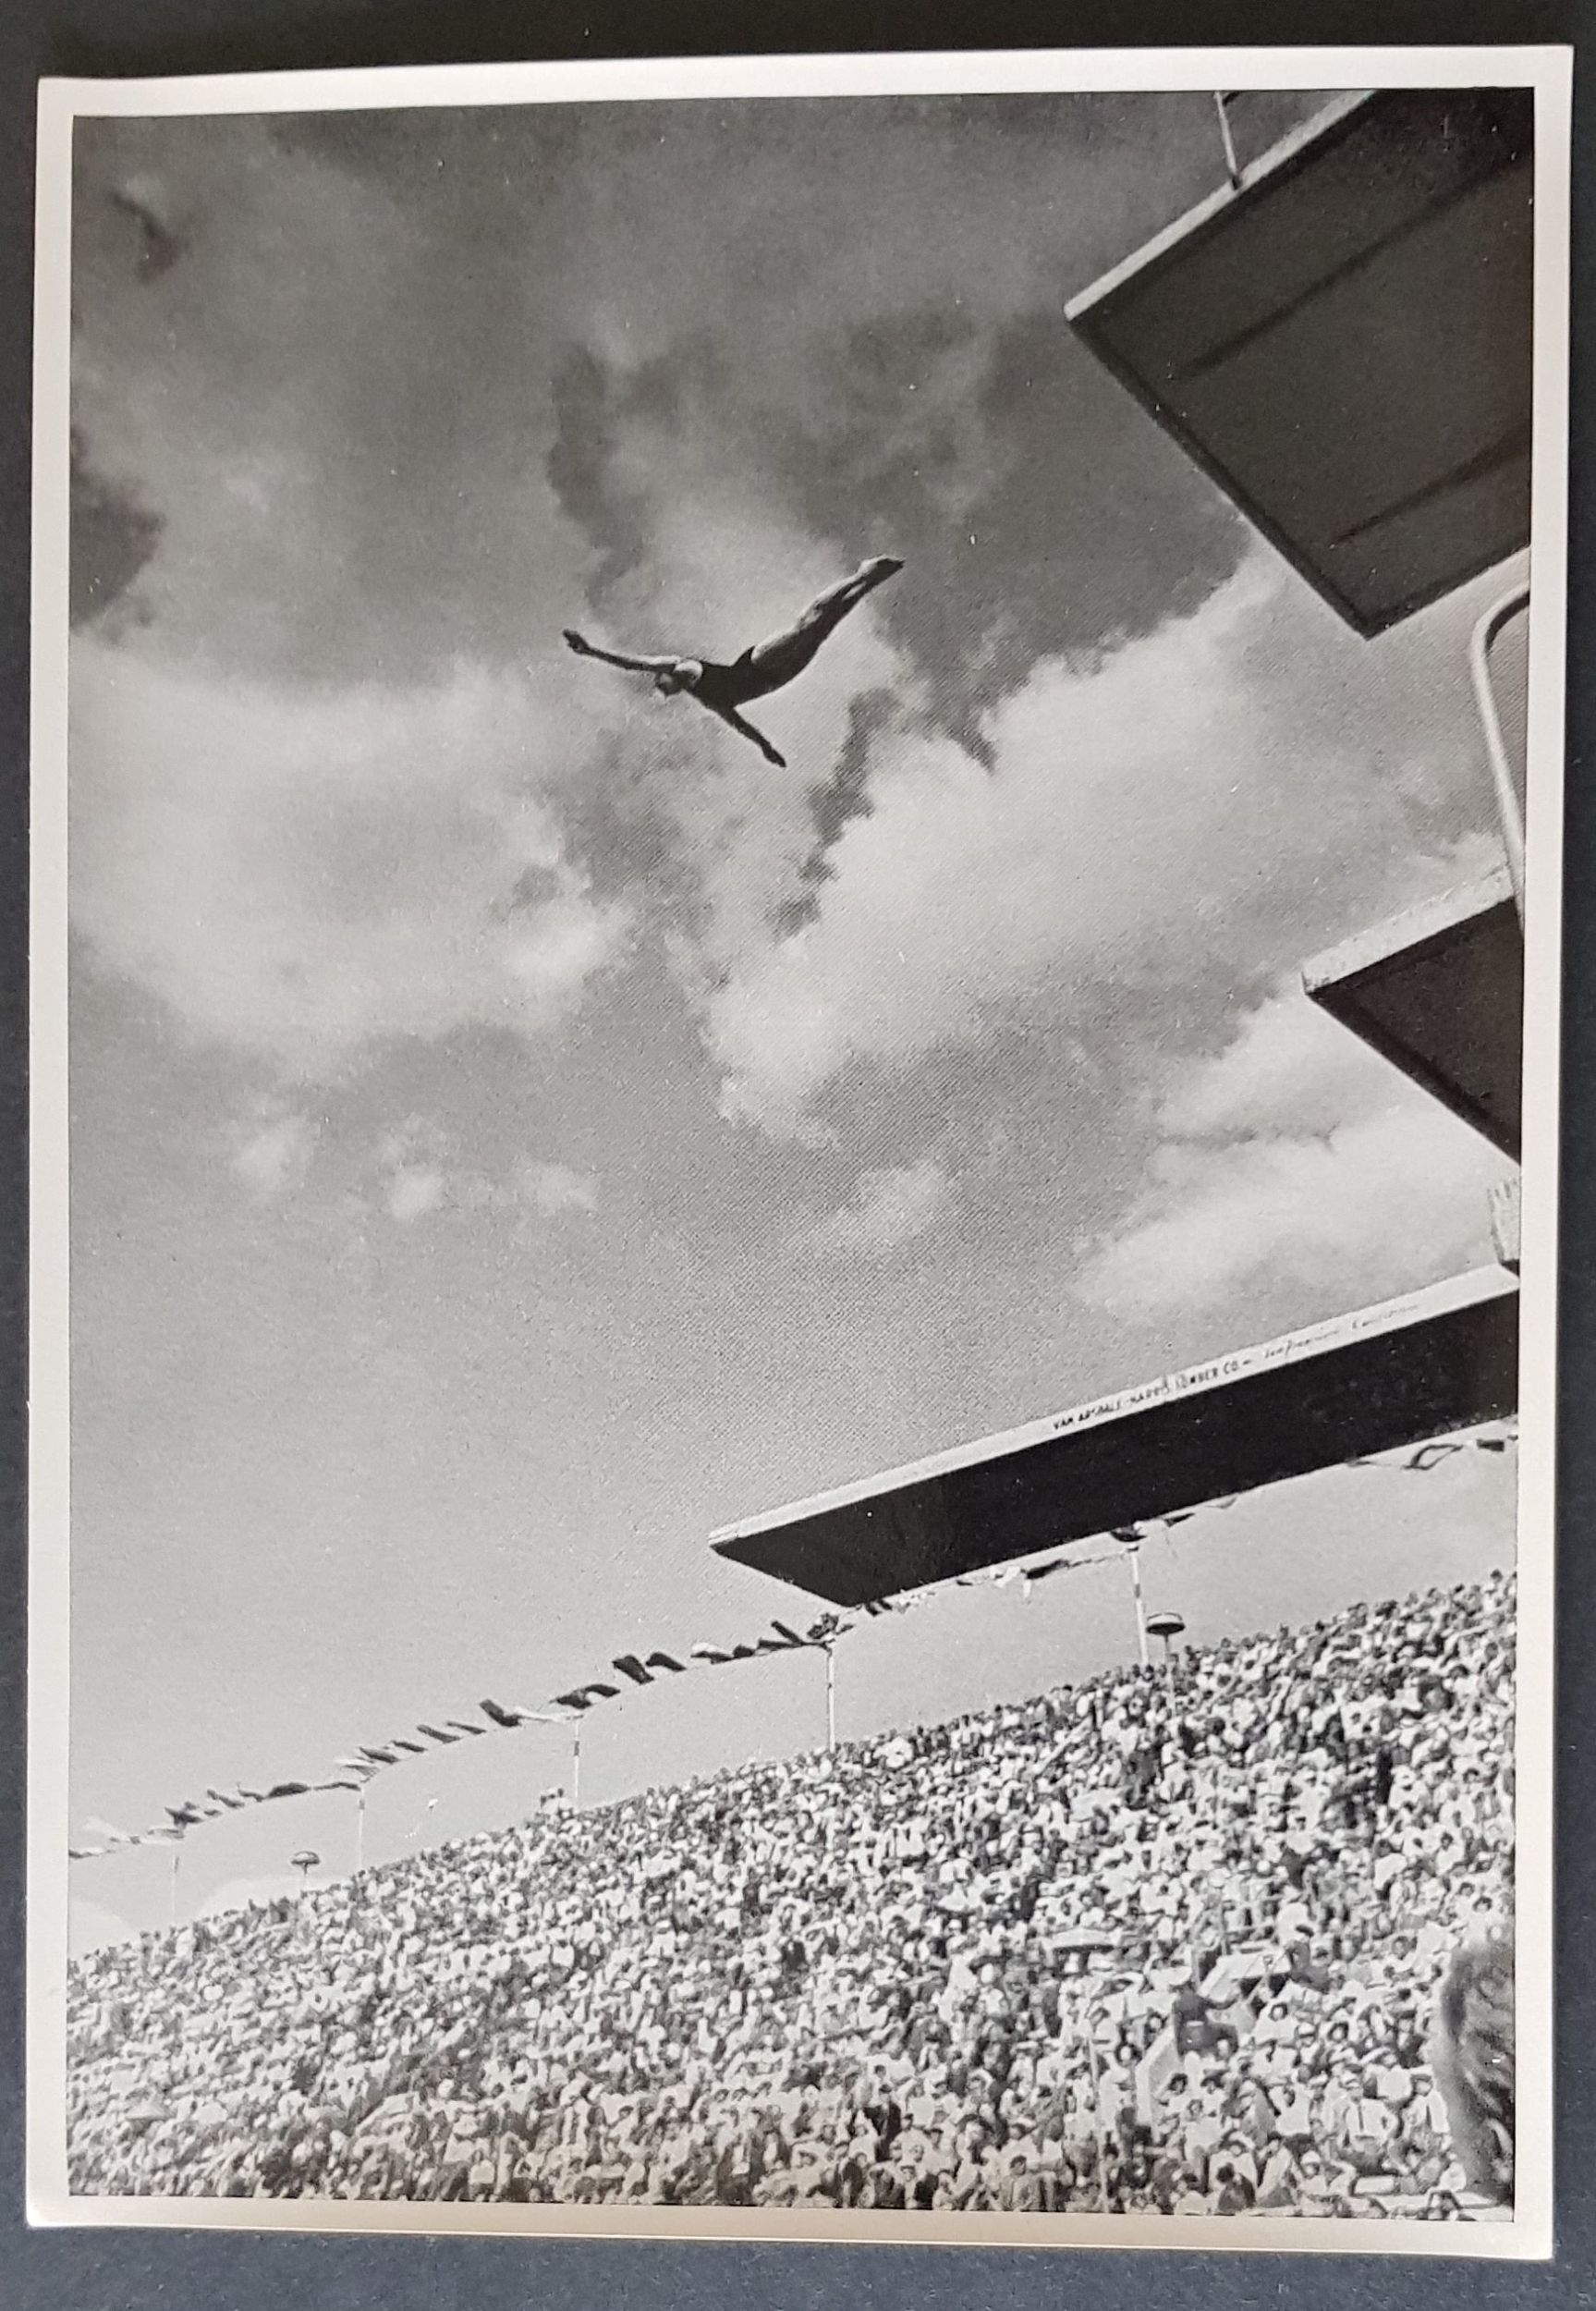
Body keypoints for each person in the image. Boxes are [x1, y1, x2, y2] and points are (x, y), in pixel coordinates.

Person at [564, 556, 903, 766]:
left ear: (664, 678)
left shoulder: (679, 665)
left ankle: (861, 574)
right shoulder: (710, 701)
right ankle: (870, 582)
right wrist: (765, 747)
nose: (666, 691)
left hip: (755, 664)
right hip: (776, 680)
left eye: (662, 686)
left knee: (804, 625)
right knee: (822, 631)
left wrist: (590, 651)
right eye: (667, 694)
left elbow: (633, 664)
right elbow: (740, 725)